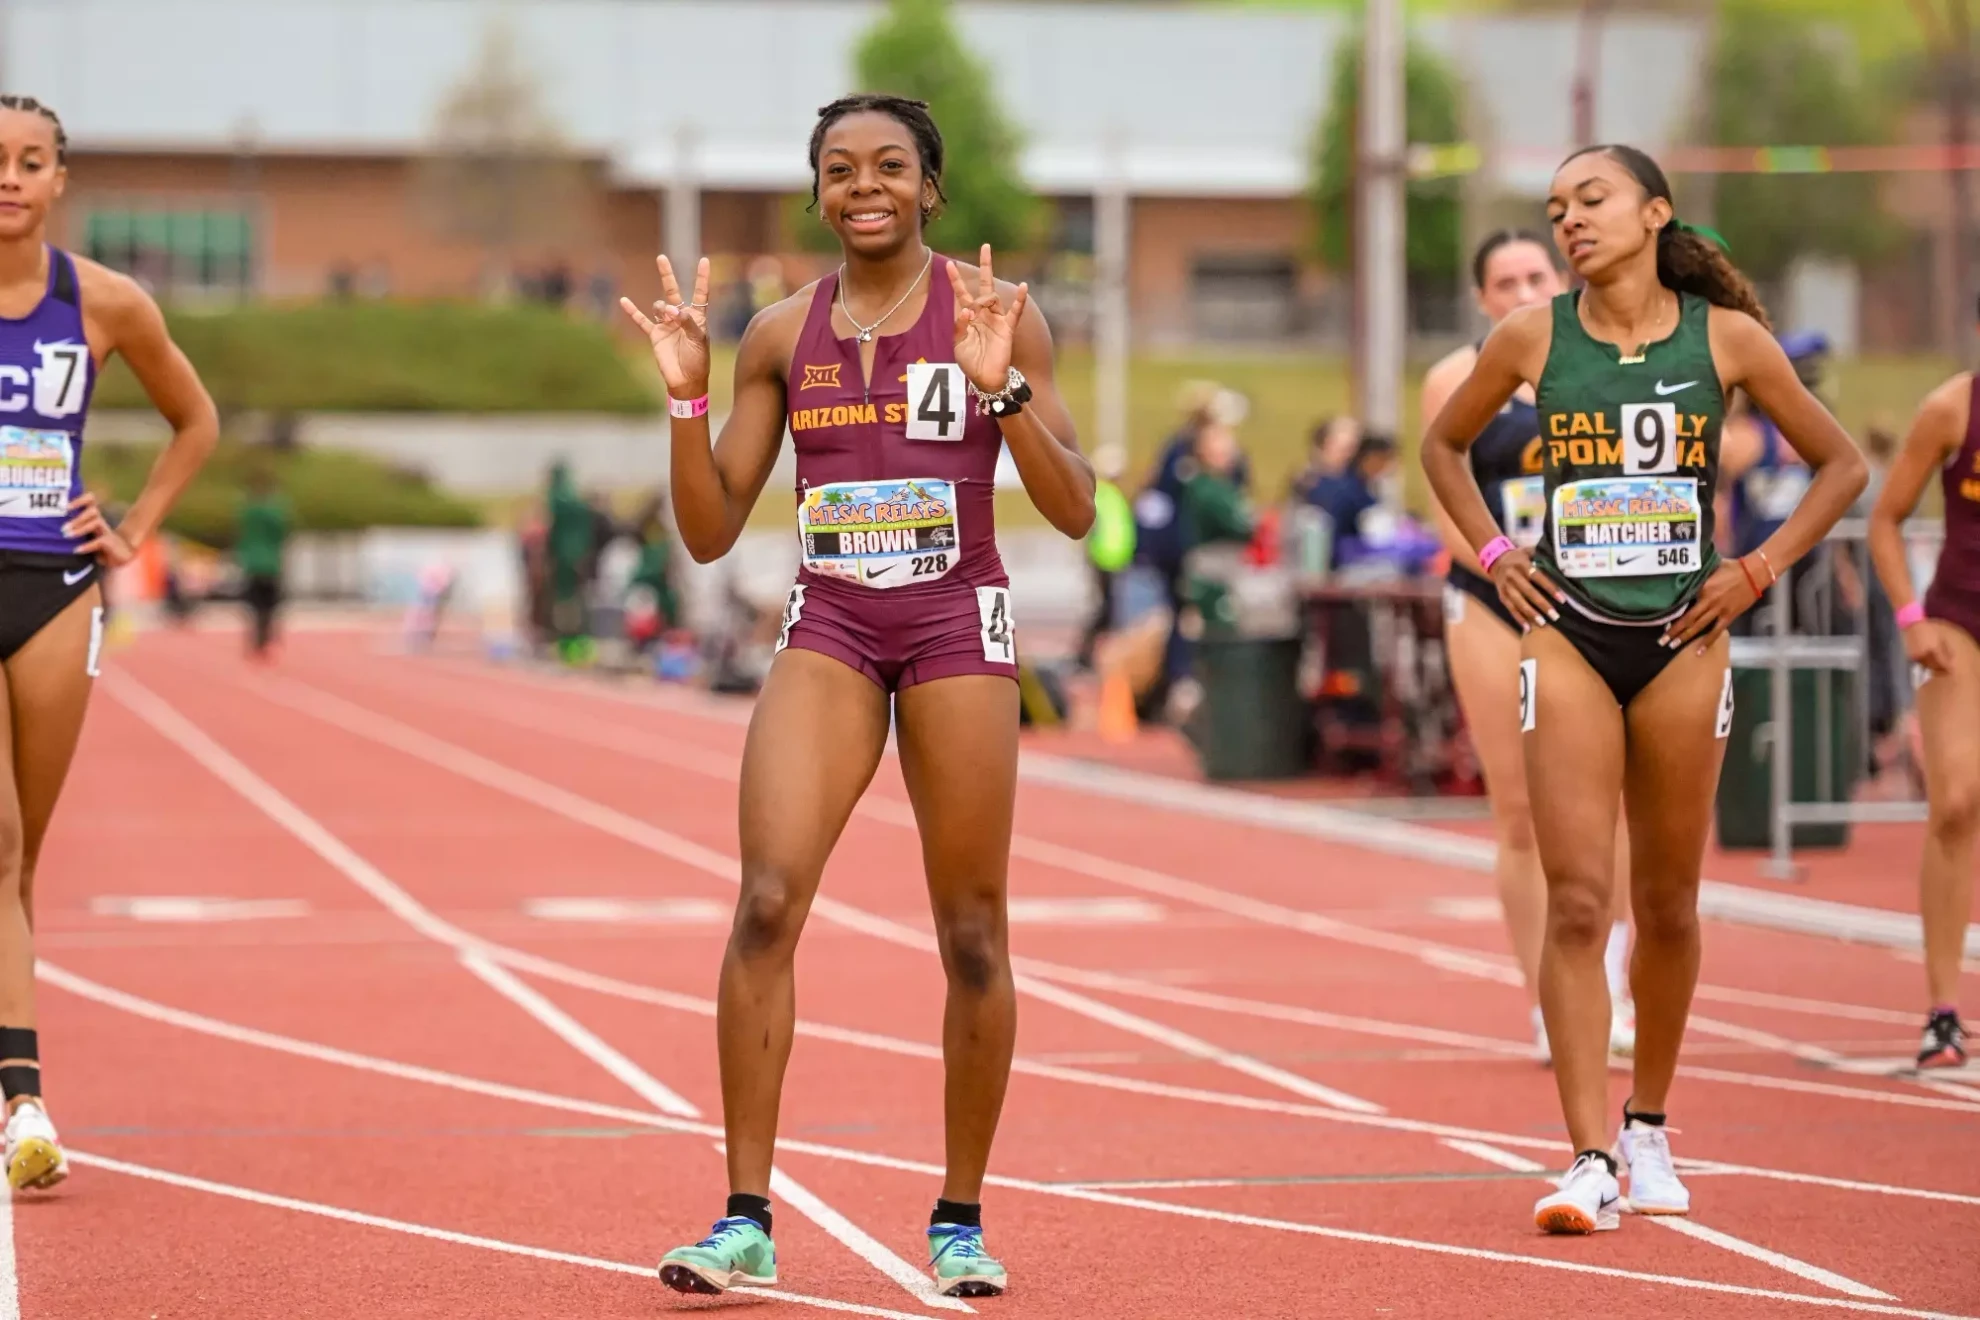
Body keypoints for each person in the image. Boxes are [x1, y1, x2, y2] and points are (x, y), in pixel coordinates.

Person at [620, 93, 1093, 1298]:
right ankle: (742, 1217)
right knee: (767, 901)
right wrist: (684, 395)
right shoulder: (779, 335)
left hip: (956, 621)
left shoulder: (996, 316)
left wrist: (1005, 393)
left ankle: (960, 1218)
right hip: (830, 620)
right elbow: (714, 529)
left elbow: (1080, 507)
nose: (864, 185)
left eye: (890, 165)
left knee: (973, 932)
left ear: (931, 187)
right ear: (818, 192)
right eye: (841, 169)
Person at [1421, 144, 1865, 1235]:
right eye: (1556, 207)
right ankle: (1585, 1159)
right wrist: (1492, 555)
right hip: (1565, 630)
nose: (1569, 221)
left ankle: (1649, 1128)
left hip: (1682, 635)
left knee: (1666, 901)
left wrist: (1756, 569)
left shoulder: (1728, 341)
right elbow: (1444, 445)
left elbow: (1842, 465)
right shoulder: (1531, 337)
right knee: (1577, 900)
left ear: (1655, 213)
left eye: (1593, 200)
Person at [0, 96, 218, 1189]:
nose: (9, 179)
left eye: (30, 162)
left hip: (53, 584)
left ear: (59, 181)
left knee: (22, 858)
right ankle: (24, 1105)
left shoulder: (106, 303)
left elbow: (198, 420)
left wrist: (131, 526)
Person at [1422, 230, 1637, 1065]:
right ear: (1481, 299)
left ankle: (1608, 982)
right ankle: (1545, 998)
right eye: (1502, 281)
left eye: (1533, 276)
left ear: (1561, 279)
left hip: (1588, 596)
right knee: (1517, 811)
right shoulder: (1456, 376)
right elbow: (1443, 481)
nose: (1519, 290)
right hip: (1491, 594)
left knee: (1602, 805)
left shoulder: (1601, 360)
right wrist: (1495, 564)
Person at [1866, 333, 1980, 1071]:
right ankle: (1943, 1009)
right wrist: (1910, 621)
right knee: (1956, 802)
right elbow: (1884, 519)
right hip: (1958, 623)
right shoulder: (1952, 408)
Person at [235, 466, 290, 660]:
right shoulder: (274, 512)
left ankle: (256, 641)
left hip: (251, 564)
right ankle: (267, 640)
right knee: (271, 608)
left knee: (254, 607)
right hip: (270, 565)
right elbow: (282, 531)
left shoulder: (248, 512)